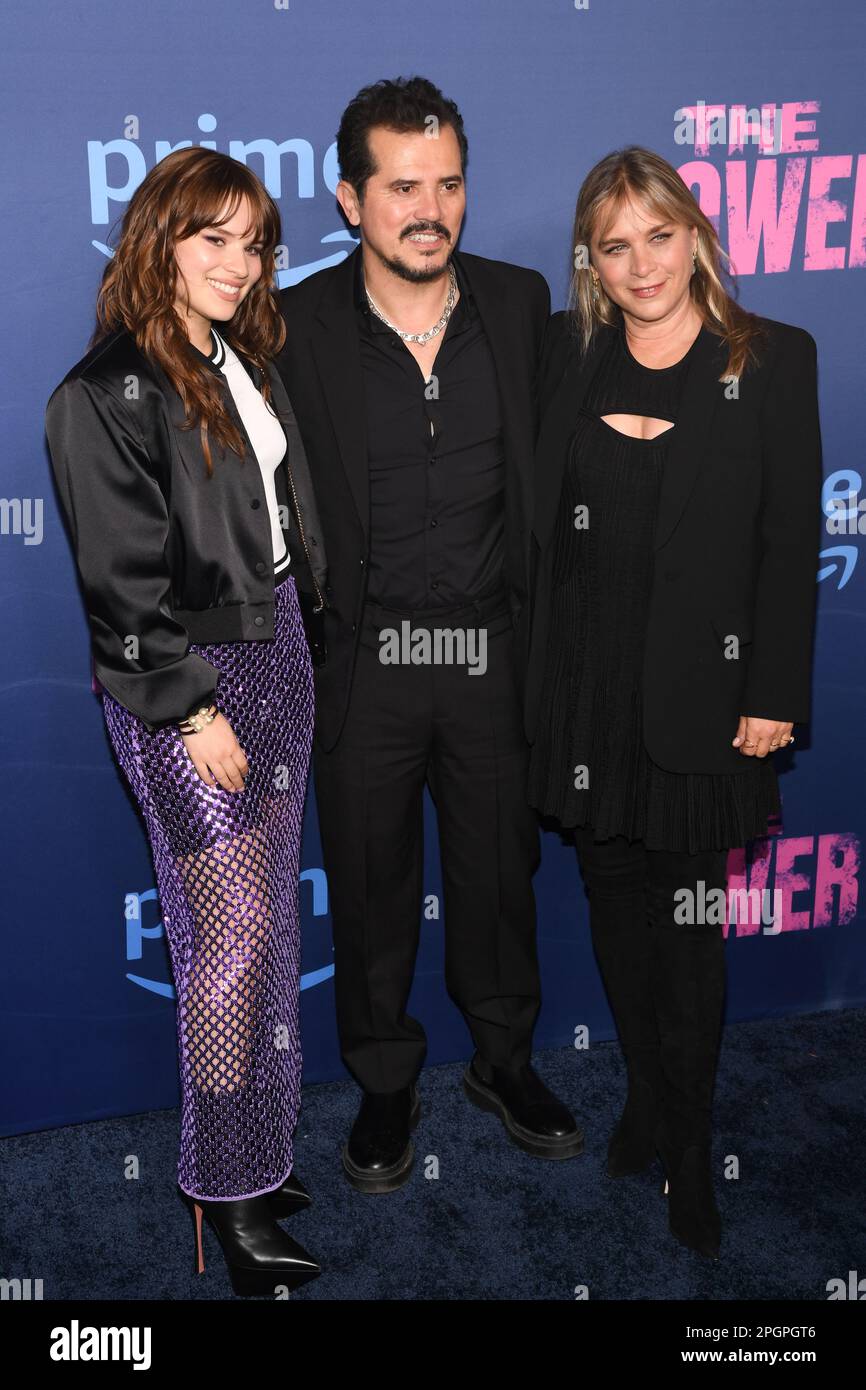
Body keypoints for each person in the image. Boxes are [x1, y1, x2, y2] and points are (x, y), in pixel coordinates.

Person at [276, 76, 583, 1193]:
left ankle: (504, 1061)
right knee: (368, 884)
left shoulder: (516, 301)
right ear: (348, 196)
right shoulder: (296, 323)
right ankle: (384, 1081)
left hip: (490, 652)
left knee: (499, 873)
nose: (429, 208)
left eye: (447, 182)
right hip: (363, 660)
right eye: (402, 185)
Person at [524, 146, 822, 1258]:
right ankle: (645, 1095)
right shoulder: (569, 354)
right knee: (612, 905)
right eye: (615, 243)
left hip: (707, 703)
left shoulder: (769, 359)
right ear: (590, 261)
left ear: (694, 233)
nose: (640, 262)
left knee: (687, 933)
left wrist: (771, 694)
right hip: (584, 693)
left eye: (658, 233)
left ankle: (690, 1149)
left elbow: (789, 541)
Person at [44, 147, 328, 1295]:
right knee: (226, 949)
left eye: (252, 239)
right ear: (155, 240)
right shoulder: (100, 392)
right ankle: (222, 1189)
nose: (236, 260)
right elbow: (121, 582)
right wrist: (187, 703)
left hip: (282, 658)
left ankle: (266, 1152)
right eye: (208, 236)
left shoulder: (244, 356)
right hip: (186, 684)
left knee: (271, 939)